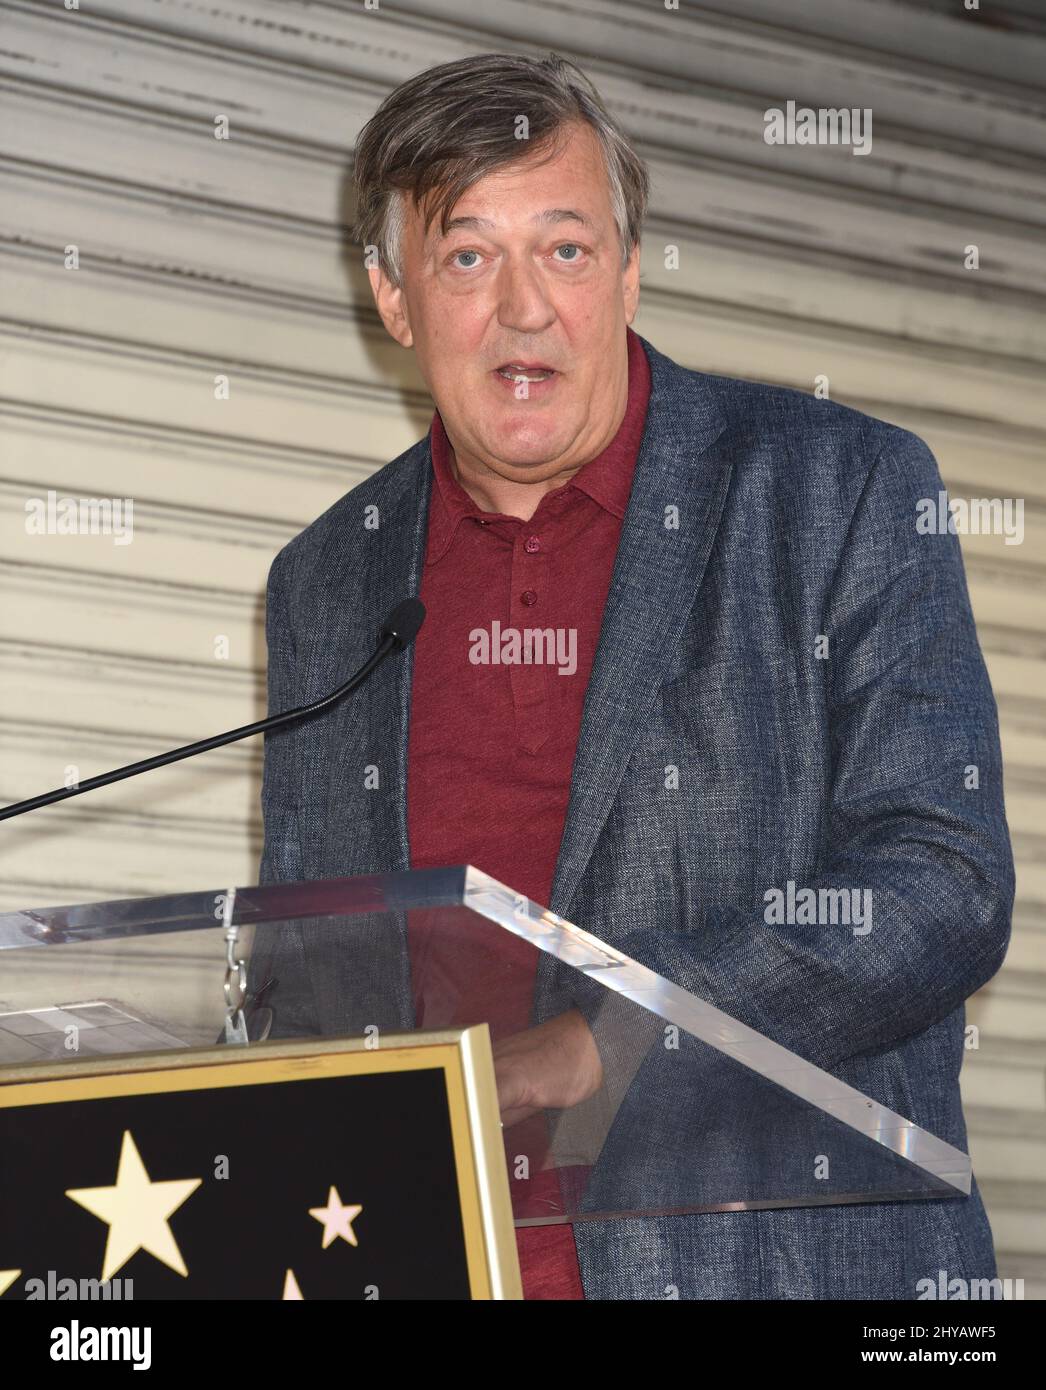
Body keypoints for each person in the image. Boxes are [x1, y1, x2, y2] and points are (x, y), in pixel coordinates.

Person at [252, 52, 1014, 1300]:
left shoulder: (833, 490)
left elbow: (942, 880)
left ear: (626, 269)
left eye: (563, 248)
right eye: (463, 257)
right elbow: (307, 974)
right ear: (392, 299)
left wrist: (601, 1040)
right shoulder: (328, 579)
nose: (523, 308)